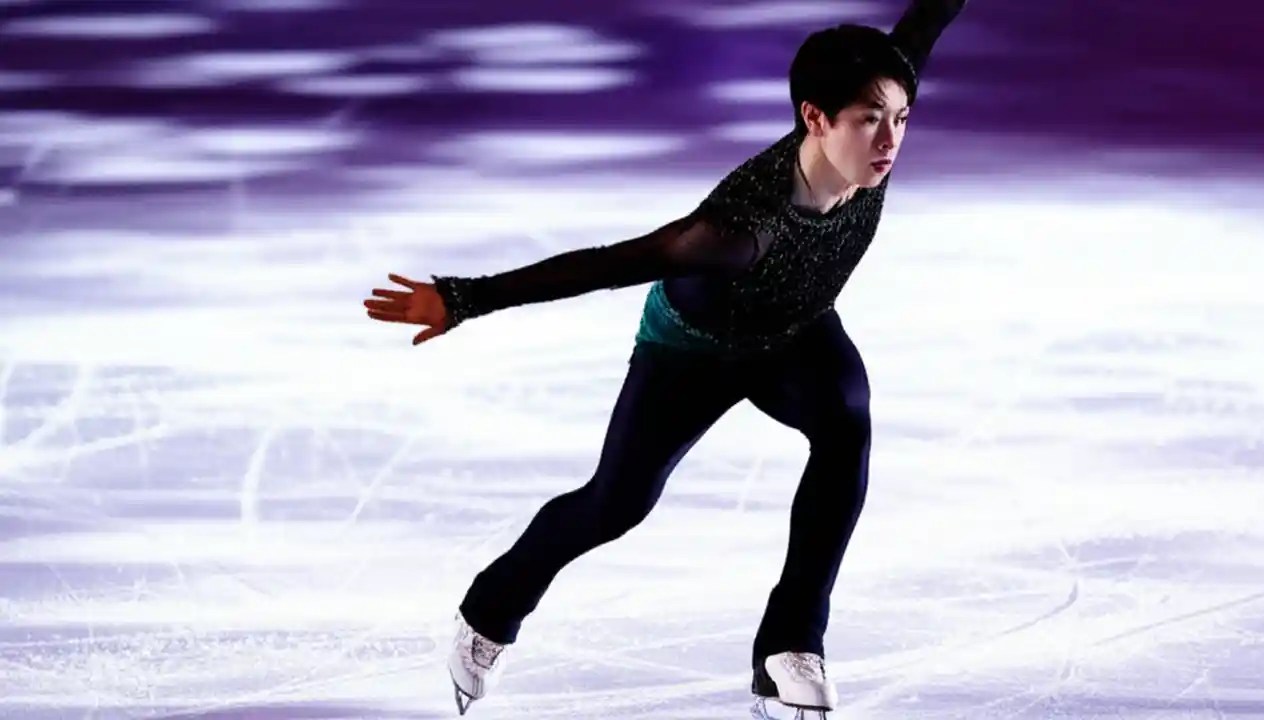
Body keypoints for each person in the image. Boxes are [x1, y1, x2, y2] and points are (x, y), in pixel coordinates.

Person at [364, 2, 969, 716]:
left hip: (794, 330)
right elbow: (610, 264)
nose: (890, 138)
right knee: (615, 505)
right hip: (692, 352)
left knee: (846, 424)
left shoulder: (868, 142)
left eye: (901, 118)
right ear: (815, 117)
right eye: (870, 119)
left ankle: (790, 643)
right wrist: (463, 298)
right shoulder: (740, 229)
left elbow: (923, 24)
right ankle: (489, 611)